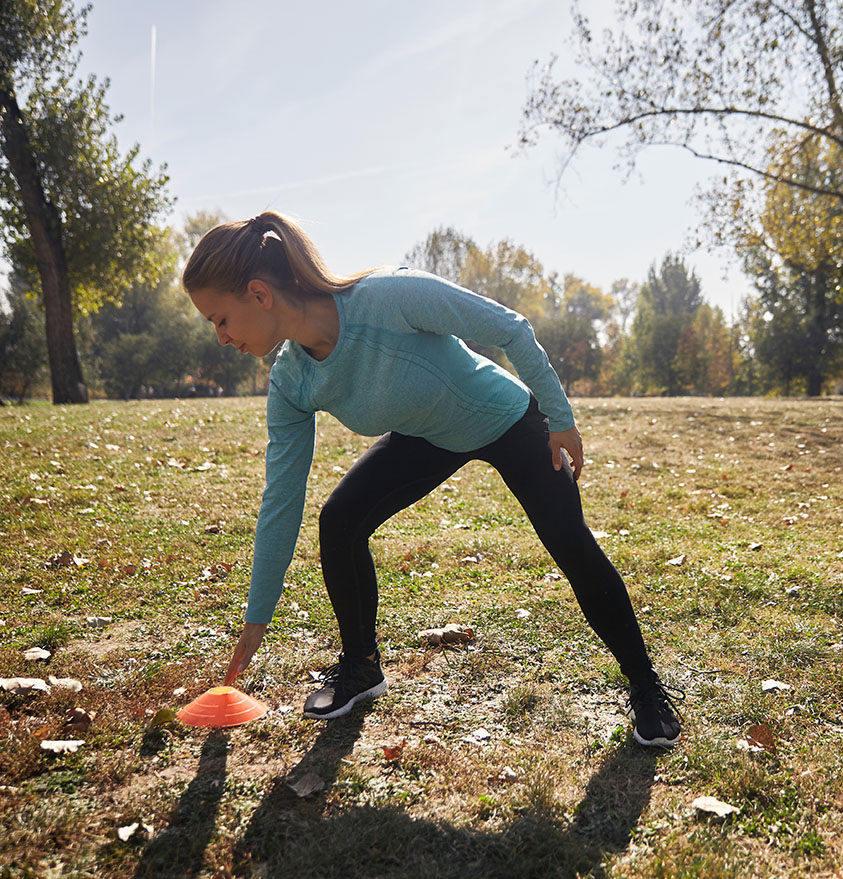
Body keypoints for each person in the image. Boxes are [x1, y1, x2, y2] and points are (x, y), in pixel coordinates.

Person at [182, 211, 681, 747]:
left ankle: (646, 686)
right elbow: (282, 499)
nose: (221, 337)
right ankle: (361, 666)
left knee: (568, 541)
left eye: (220, 319)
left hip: (506, 419)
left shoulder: (386, 297)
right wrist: (257, 616)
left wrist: (560, 418)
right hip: (427, 436)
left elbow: (510, 328)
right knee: (340, 520)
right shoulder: (291, 382)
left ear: (259, 294)